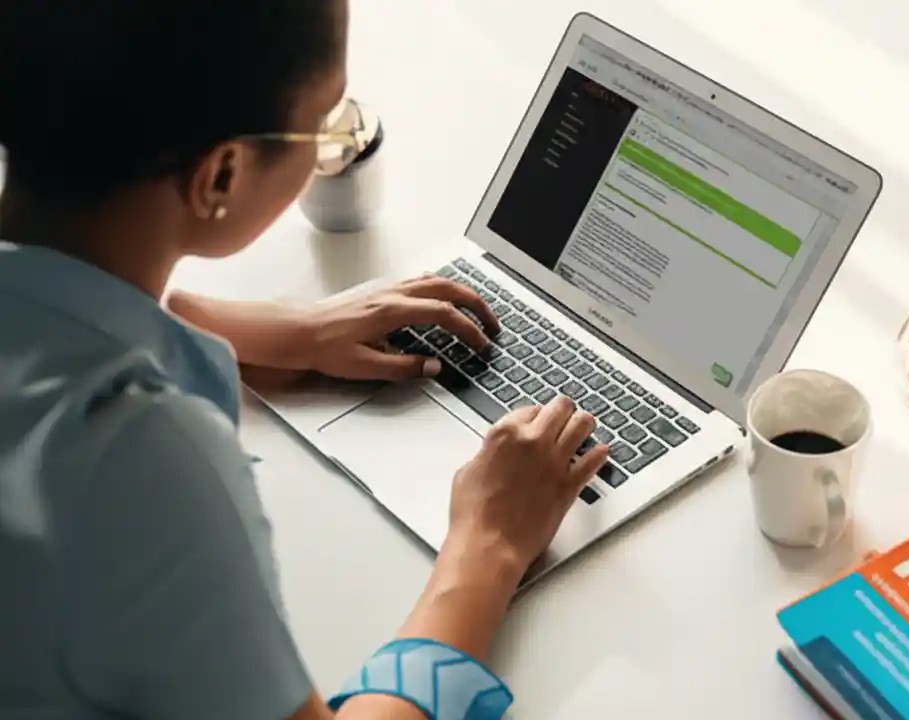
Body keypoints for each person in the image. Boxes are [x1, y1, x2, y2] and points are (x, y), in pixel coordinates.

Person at [0, 2, 610, 719]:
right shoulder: (137, 463)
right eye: (322, 125)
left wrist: (280, 331)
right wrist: (487, 548)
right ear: (221, 175)